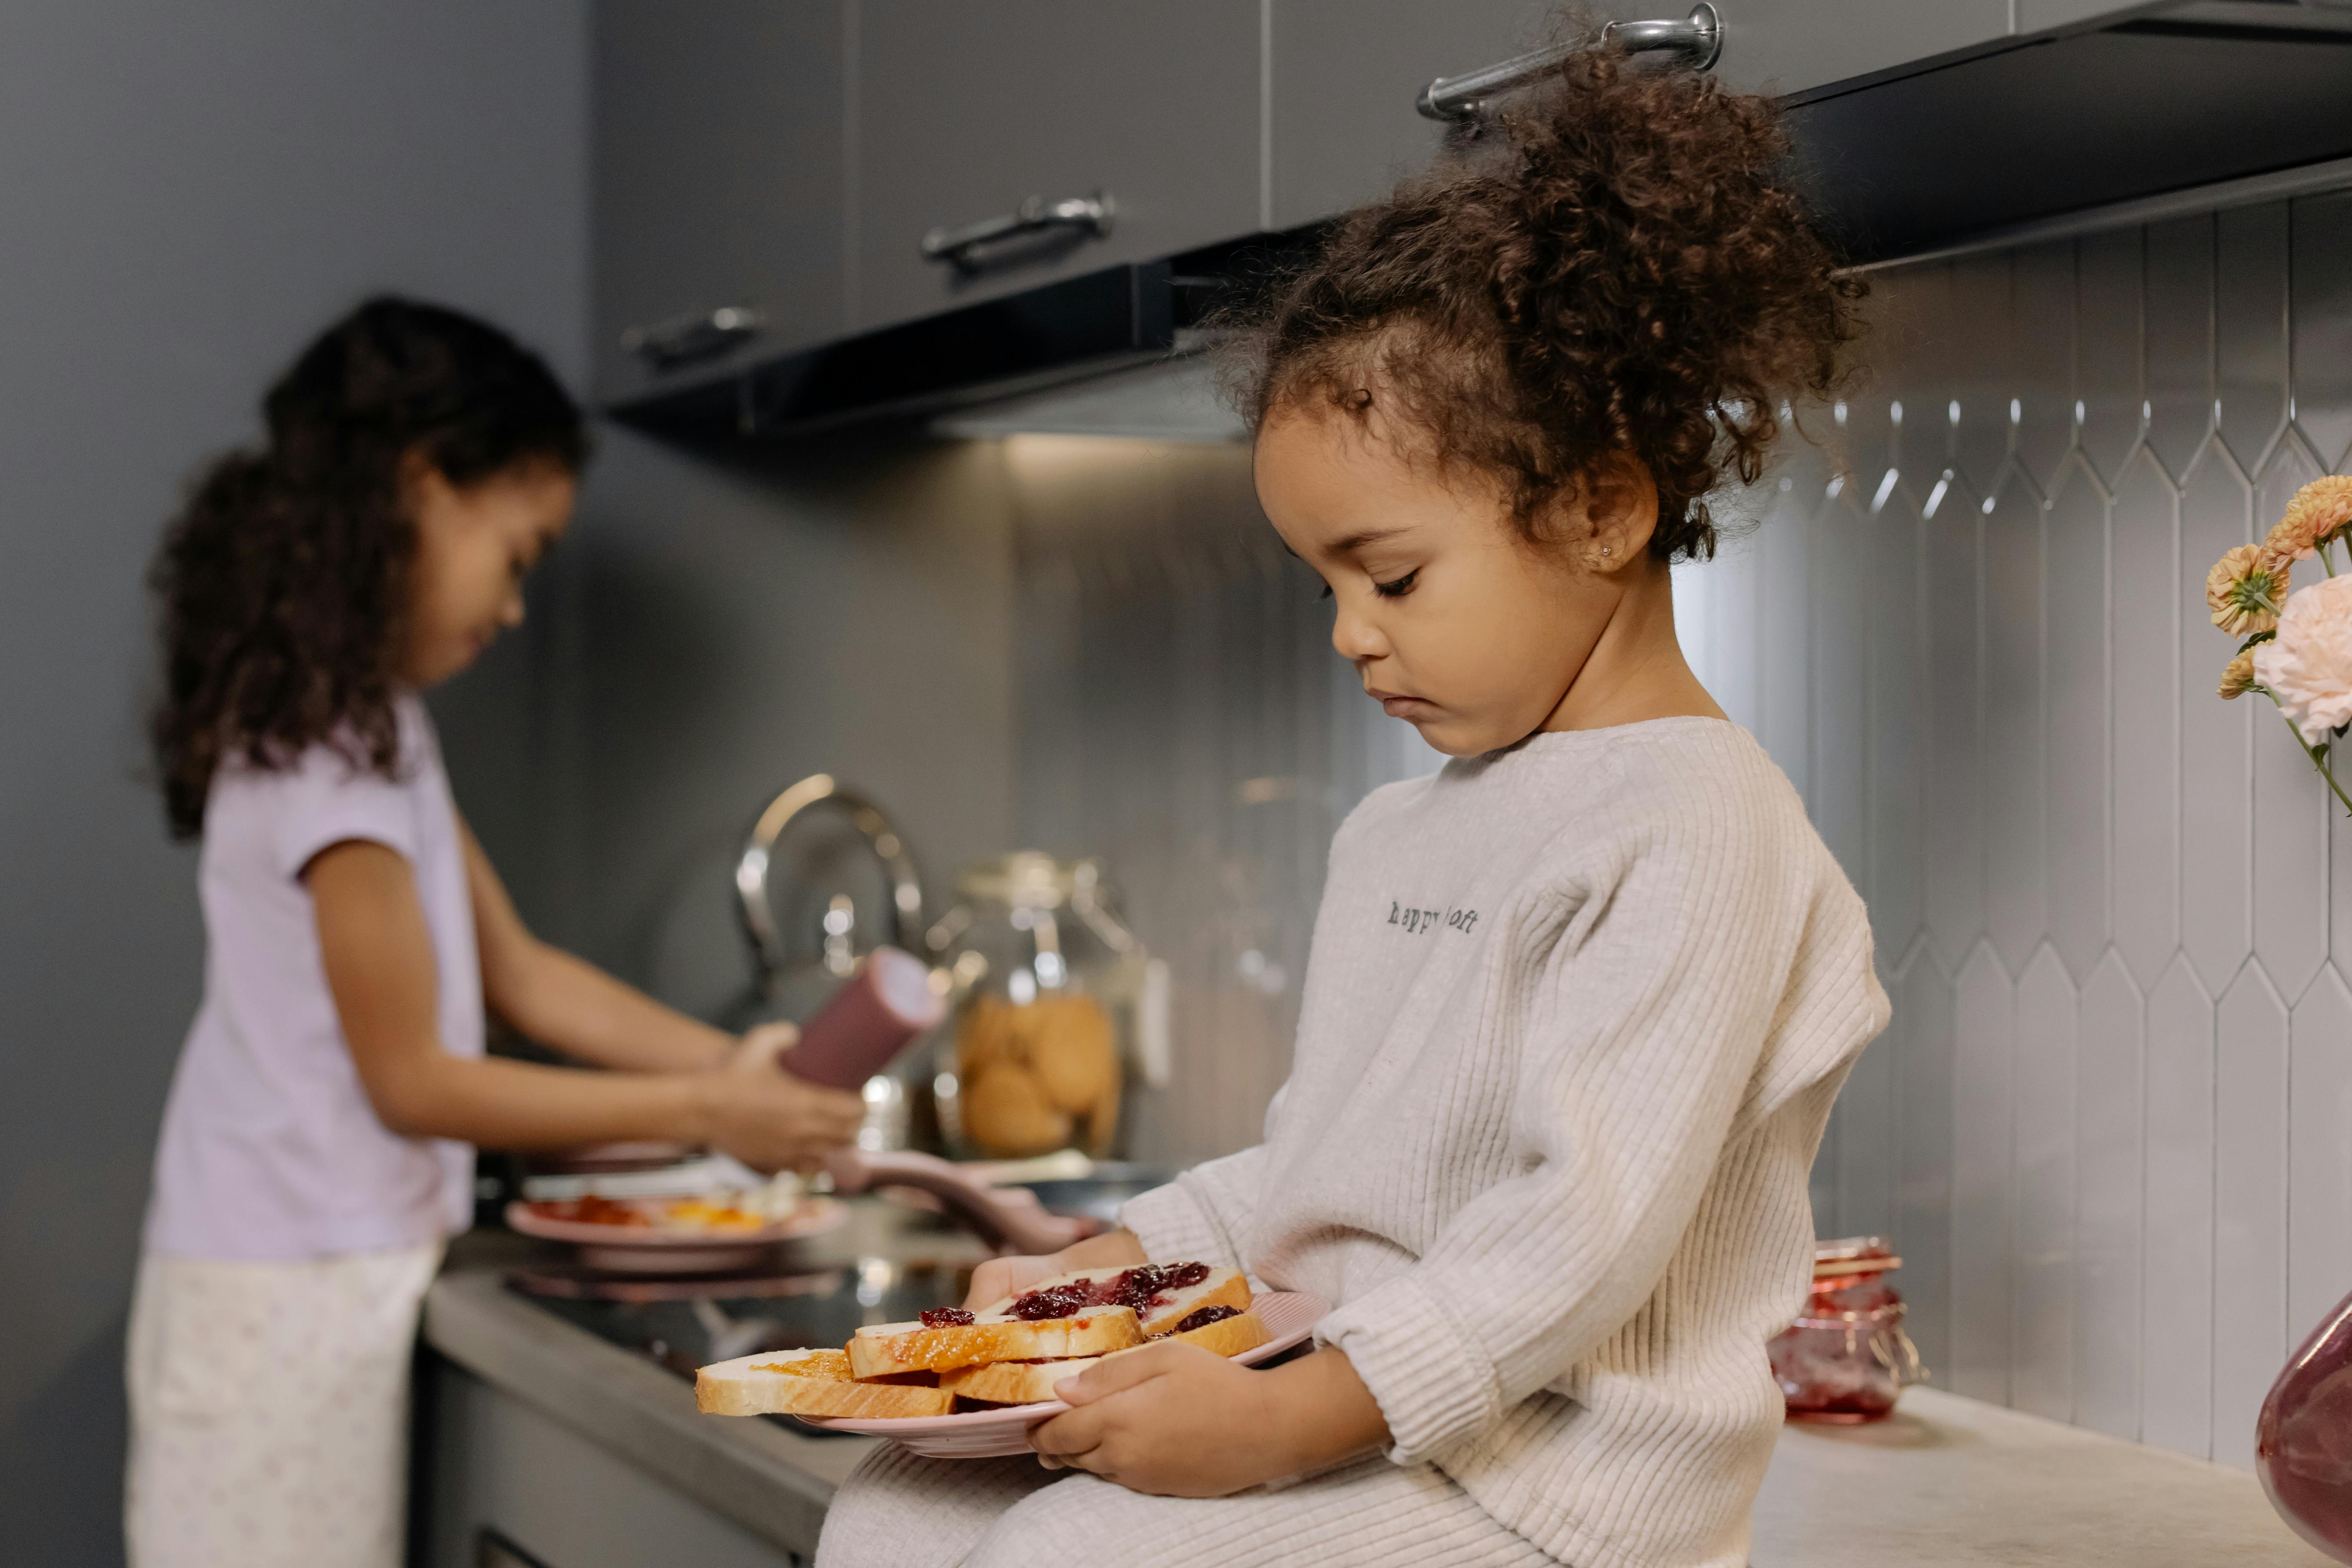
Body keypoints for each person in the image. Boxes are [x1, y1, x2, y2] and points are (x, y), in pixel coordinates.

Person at [817, 35, 1884, 1568]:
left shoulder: (1699, 826)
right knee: (896, 1511)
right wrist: (1130, 1248)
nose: (1349, 633)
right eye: (1325, 582)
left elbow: (1571, 1243)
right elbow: (1337, 1170)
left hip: (1560, 1492)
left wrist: (1282, 1419)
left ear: (1599, 504)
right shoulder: (1403, 830)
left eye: (1390, 575)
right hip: (1370, 1409)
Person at [129, 298, 867, 1568]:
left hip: (313, 1275)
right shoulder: (330, 760)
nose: (519, 605)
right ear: (419, 489)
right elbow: (413, 1079)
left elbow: (520, 973)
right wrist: (707, 1110)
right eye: (519, 554)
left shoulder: (369, 721)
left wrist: (743, 1076)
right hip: (280, 1302)